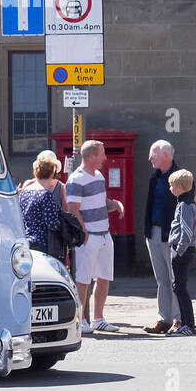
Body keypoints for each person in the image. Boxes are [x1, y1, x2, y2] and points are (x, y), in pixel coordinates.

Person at [66, 139, 125, 334]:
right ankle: (80, 320)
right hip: (89, 237)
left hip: (104, 234)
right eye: (102, 154)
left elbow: (102, 201)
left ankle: (98, 319)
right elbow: (73, 209)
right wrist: (85, 233)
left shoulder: (99, 176)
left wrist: (114, 204)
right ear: (91, 157)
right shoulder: (76, 179)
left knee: (104, 277)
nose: (105, 158)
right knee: (83, 280)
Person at [143, 139, 182, 333]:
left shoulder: (180, 178)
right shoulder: (154, 177)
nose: (150, 158)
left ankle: (178, 319)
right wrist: (147, 230)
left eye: (153, 154)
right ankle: (163, 319)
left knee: (175, 278)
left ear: (166, 155)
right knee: (162, 279)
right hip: (153, 232)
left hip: (171, 235)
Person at [19, 150, 72, 261]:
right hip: (46, 245)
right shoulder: (47, 193)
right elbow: (54, 222)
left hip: (27, 241)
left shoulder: (27, 189)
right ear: (53, 170)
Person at [166, 169, 196, 336]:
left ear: (179, 186)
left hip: (182, 252)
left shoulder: (185, 205)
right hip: (184, 249)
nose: (170, 188)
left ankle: (189, 325)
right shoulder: (187, 202)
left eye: (172, 185)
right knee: (178, 287)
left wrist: (178, 250)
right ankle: (186, 324)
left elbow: (186, 231)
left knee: (180, 288)